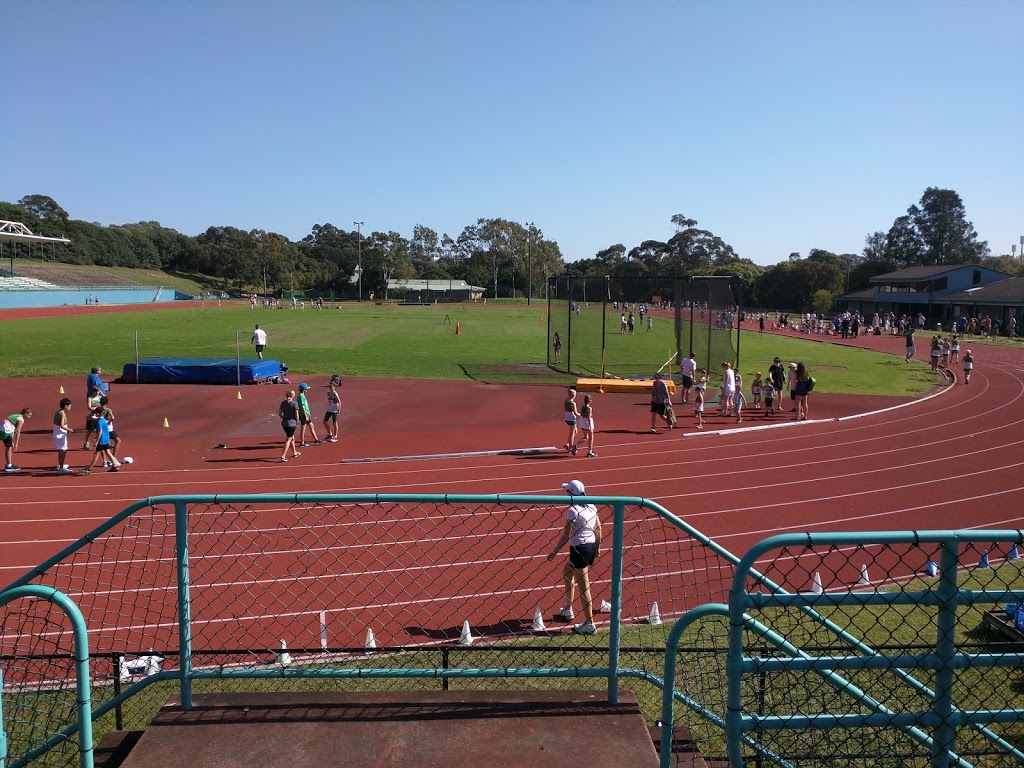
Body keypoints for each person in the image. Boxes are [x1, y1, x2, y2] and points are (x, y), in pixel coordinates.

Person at [547, 479, 602, 635]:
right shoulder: (592, 506)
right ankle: (568, 609)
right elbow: (598, 529)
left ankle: (589, 624)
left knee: (584, 587)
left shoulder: (573, 510)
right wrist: (597, 547)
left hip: (580, 549)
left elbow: (566, 534)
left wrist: (555, 551)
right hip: (590, 547)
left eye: (567, 492)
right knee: (567, 572)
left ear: (571, 493)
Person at [53, 398, 75, 475]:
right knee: (63, 450)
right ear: (65, 406)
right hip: (60, 434)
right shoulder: (62, 414)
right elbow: (62, 425)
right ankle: (61, 468)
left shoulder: (58, 412)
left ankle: (61, 465)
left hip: (58, 433)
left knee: (62, 450)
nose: (70, 407)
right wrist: (69, 429)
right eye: (69, 406)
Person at [278, 389, 301, 461]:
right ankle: (283, 455)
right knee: (288, 439)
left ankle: (294, 452)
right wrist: (297, 422)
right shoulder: (294, 403)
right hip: (292, 424)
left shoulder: (283, 403)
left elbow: (279, 413)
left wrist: (284, 418)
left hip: (284, 424)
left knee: (292, 437)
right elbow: (297, 414)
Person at [83, 385, 103, 450]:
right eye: (96, 391)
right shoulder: (90, 398)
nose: (97, 393)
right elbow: (89, 407)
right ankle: (86, 442)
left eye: (98, 391)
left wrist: (102, 393)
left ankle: (99, 442)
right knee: (90, 430)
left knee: (100, 429)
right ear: (93, 392)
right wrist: (95, 411)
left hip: (99, 416)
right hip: (92, 416)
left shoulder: (100, 397)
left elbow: (105, 401)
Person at [563, 387, 580, 454]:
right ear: (573, 395)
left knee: (575, 431)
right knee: (572, 434)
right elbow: (575, 412)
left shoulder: (566, 401)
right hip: (571, 419)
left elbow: (565, 409)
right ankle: (570, 448)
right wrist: (582, 415)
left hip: (567, 417)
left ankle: (567, 444)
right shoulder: (573, 403)